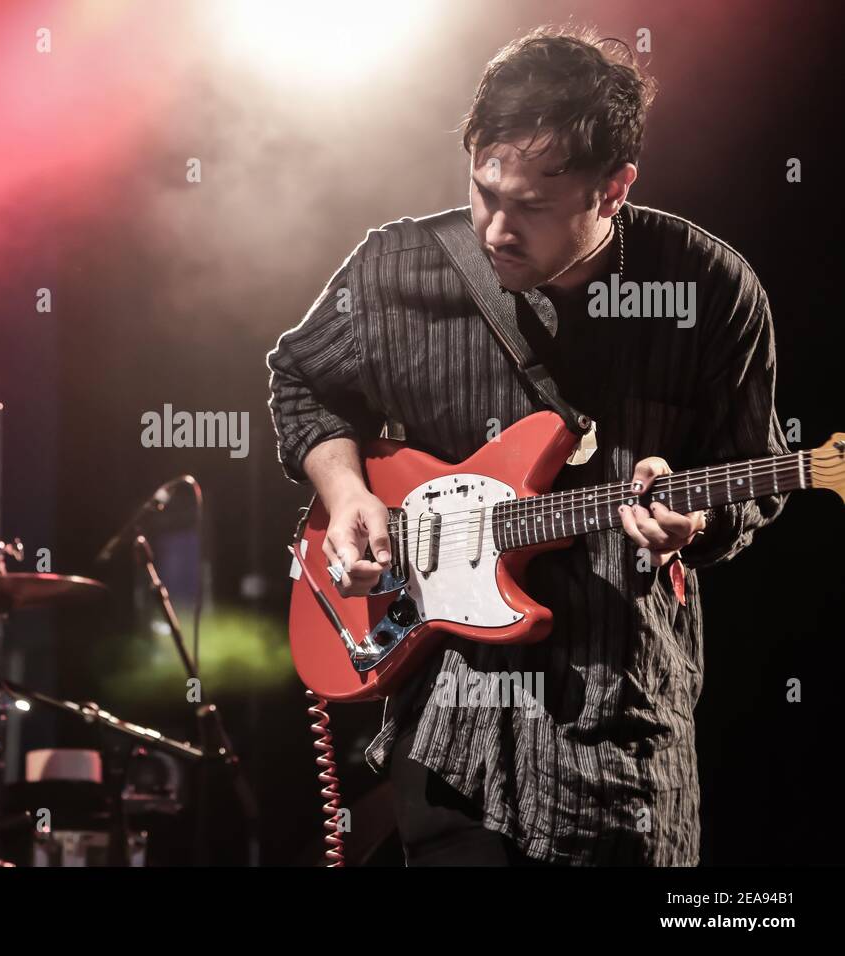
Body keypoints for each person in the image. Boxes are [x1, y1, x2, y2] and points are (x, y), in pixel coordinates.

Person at [267, 27, 788, 865]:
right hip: (452, 728)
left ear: (615, 189)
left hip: (621, 730)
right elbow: (298, 381)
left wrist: (696, 524)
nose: (496, 229)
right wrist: (346, 490)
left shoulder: (709, 289)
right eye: (483, 190)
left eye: (534, 208)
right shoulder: (394, 267)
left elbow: (756, 477)